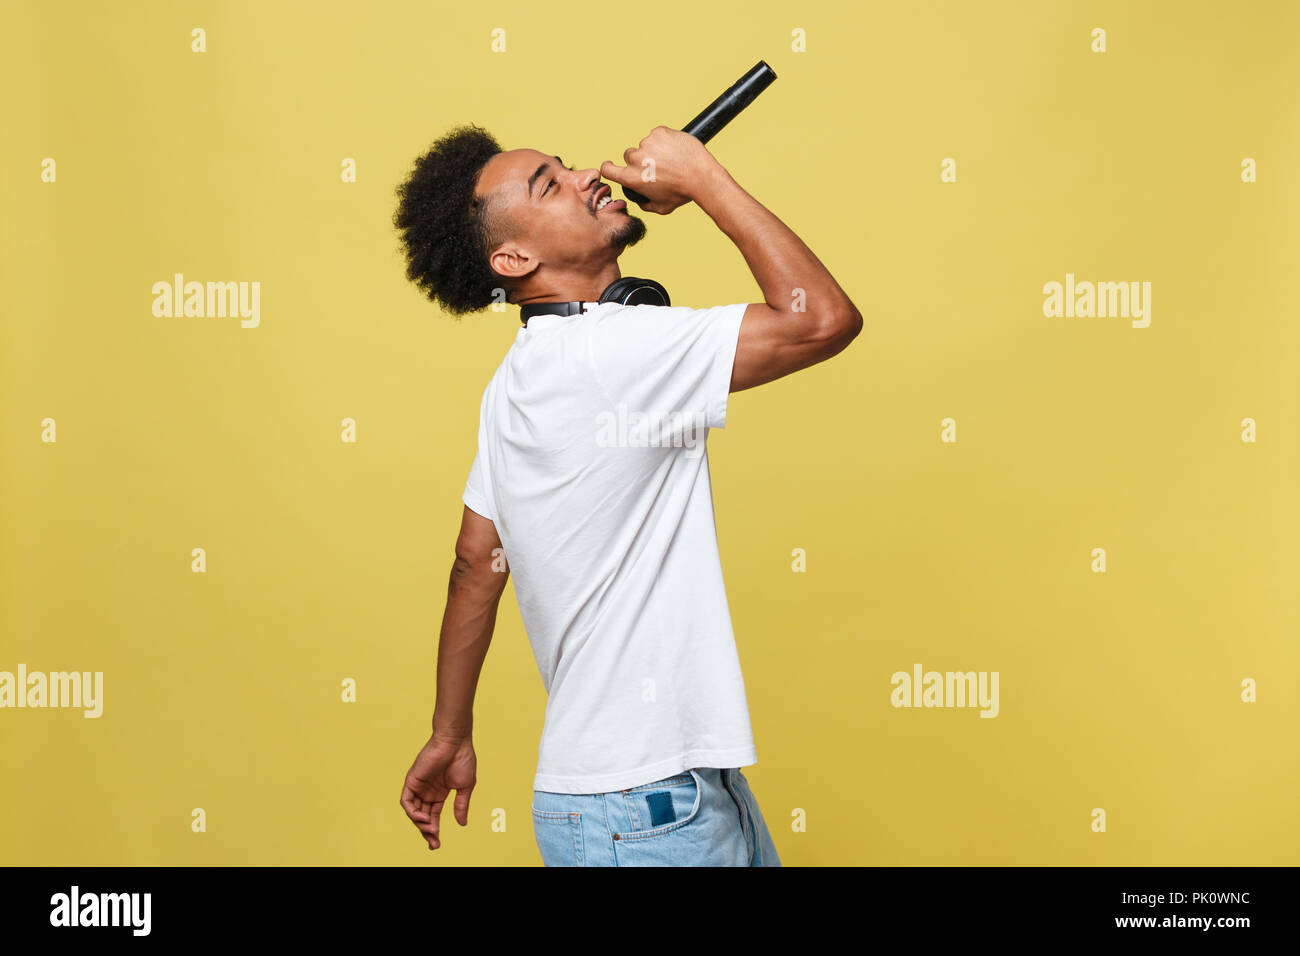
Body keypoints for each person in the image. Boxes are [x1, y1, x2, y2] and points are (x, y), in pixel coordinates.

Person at [394, 124, 861, 865]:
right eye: (550, 182)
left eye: (565, 164)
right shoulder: (619, 350)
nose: (586, 176)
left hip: (644, 797)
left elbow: (475, 563)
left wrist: (450, 733)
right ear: (513, 259)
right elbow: (822, 318)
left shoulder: (516, 381)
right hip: (651, 809)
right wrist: (705, 179)